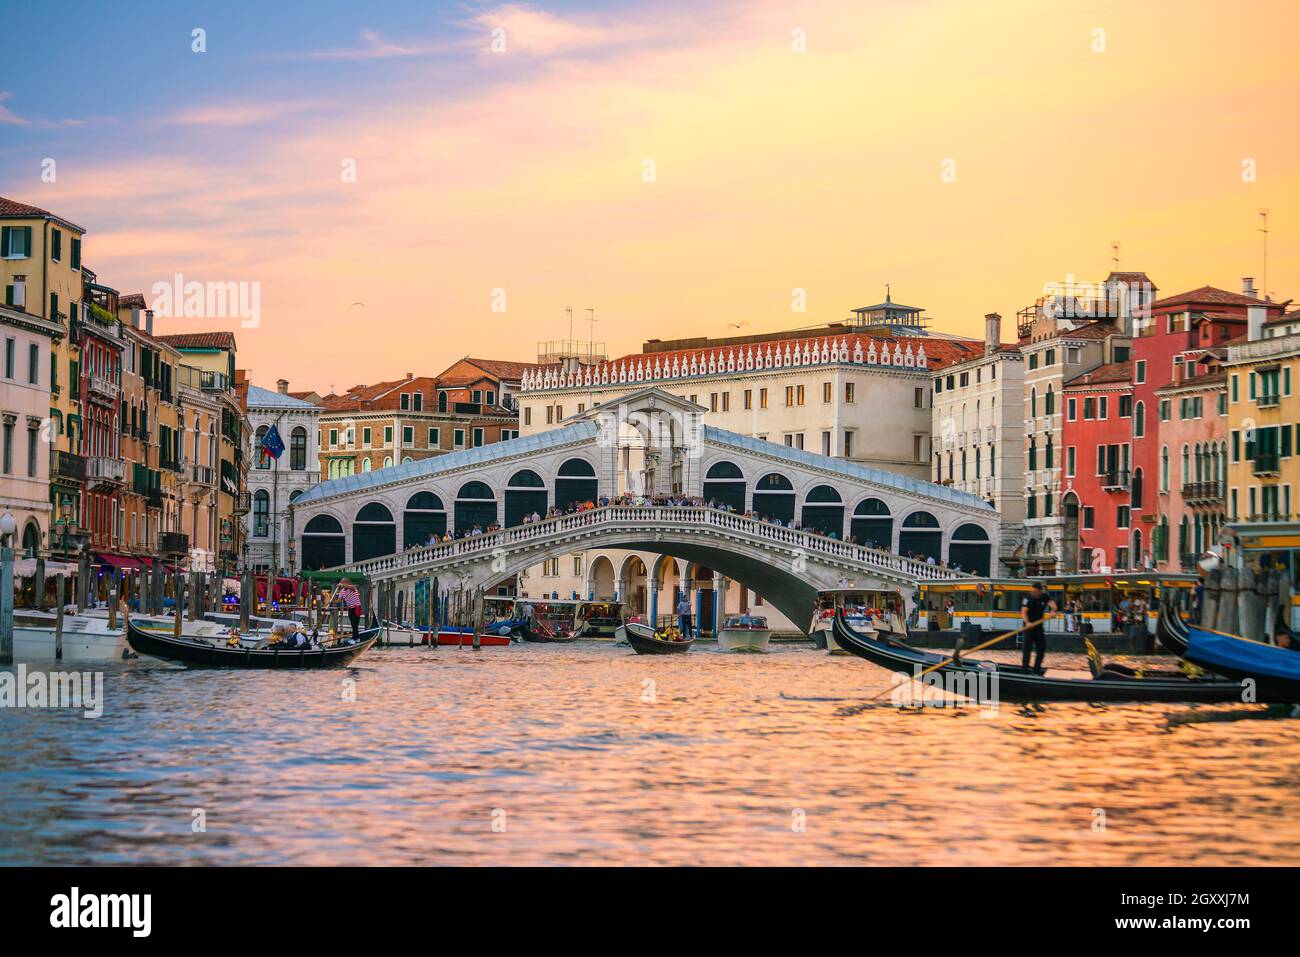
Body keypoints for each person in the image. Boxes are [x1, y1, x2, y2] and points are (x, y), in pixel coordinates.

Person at [1021, 582, 1055, 674]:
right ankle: (1025, 669)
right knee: (1027, 649)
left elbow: (1053, 606)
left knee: (1041, 649)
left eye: (1036, 591)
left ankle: (1036, 669)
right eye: (1033, 591)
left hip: (1038, 627)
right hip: (1028, 627)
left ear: (1040, 591)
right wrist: (1027, 623)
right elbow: (1023, 612)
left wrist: (1053, 611)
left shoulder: (1045, 597)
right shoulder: (1028, 598)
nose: (1034, 593)